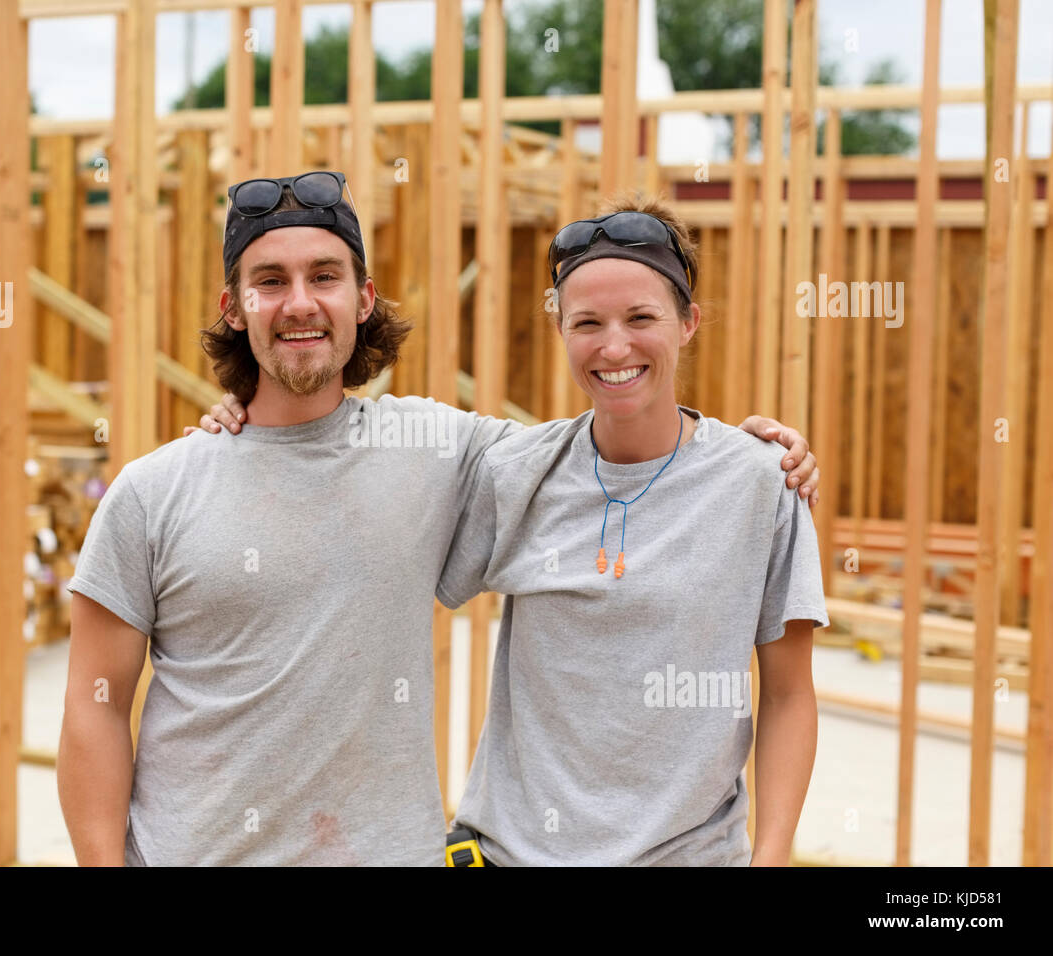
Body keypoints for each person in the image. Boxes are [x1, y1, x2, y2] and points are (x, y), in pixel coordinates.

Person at [58, 170, 818, 866]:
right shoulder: (152, 492)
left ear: (363, 300)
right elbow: (95, 707)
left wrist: (753, 455)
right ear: (235, 307)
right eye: (270, 281)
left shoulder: (438, 451)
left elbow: (623, 445)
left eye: (324, 276)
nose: (299, 302)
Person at [433, 193, 829, 865]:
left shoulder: (761, 483)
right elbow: (359, 481)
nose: (614, 346)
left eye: (641, 317)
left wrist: (773, 856)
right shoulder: (516, 474)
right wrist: (239, 423)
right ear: (561, 330)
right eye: (587, 322)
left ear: (688, 323)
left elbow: (789, 693)